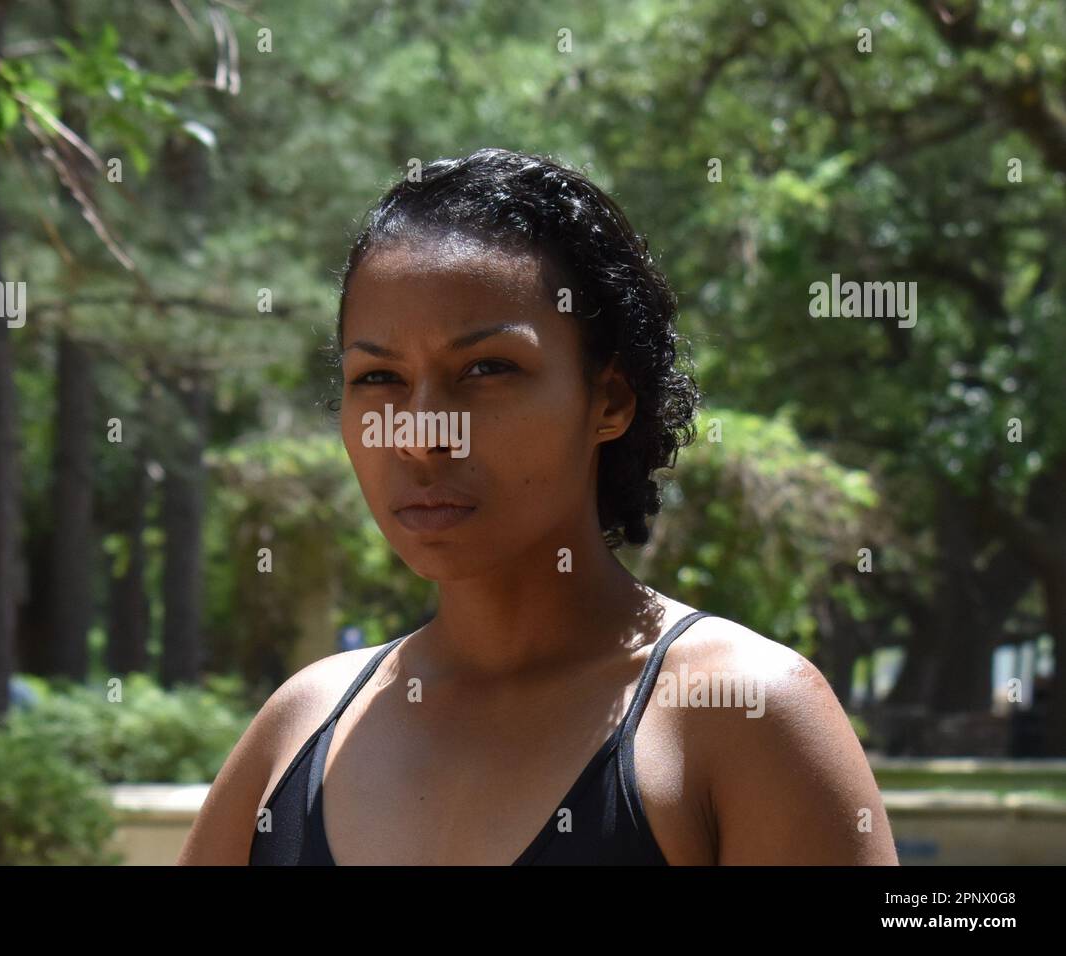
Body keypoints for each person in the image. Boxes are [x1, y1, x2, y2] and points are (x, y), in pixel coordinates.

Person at [178, 148, 897, 865]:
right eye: (379, 377)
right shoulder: (301, 728)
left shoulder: (743, 715)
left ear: (609, 399)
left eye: (487, 370)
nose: (423, 435)